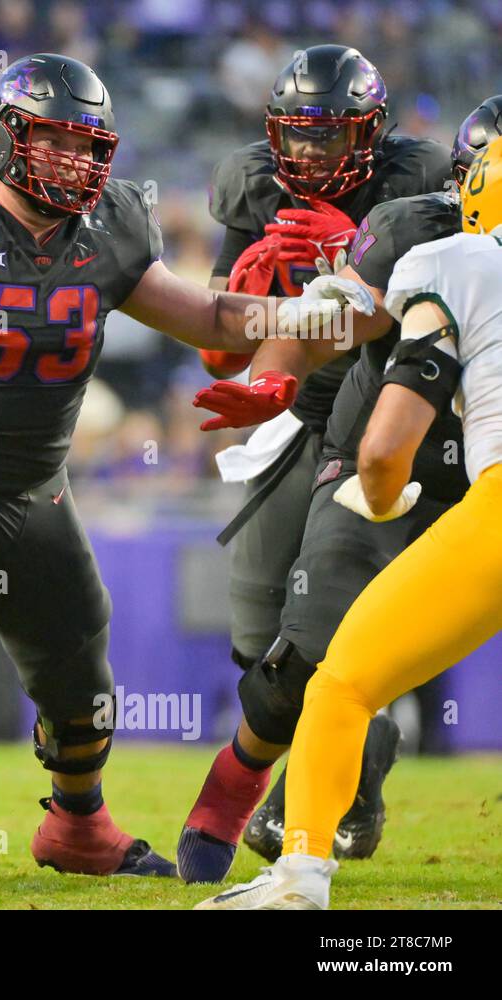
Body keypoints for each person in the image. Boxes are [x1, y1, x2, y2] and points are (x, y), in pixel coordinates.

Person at [0, 53, 369, 895]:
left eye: (87, 145)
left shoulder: (109, 228)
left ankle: (77, 825)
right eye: (53, 143)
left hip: (34, 483)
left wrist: (322, 313)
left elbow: (211, 317)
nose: (74, 163)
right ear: (2, 138)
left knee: (80, 674)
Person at [181, 97, 501, 882]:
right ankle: (247, 789)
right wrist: (279, 375)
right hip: (396, 459)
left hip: (457, 476)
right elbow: (342, 315)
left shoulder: (442, 240)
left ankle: (309, 845)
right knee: (311, 651)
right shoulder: (420, 232)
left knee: (354, 671)